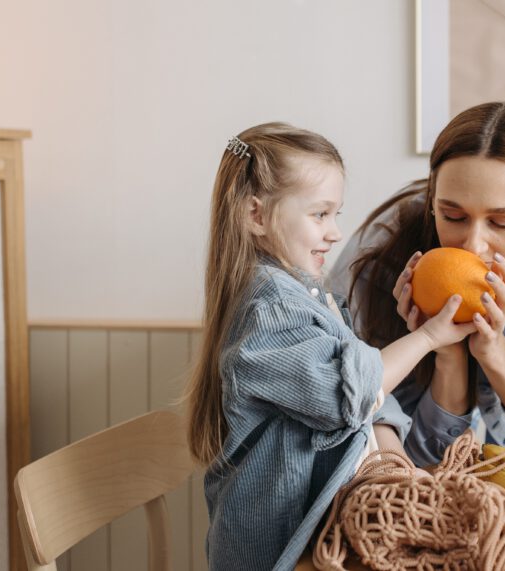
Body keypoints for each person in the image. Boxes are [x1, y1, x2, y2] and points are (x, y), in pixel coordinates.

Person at [185, 122, 475, 571]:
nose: (336, 232)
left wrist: (392, 458)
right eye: (320, 215)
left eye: (335, 214)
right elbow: (346, 393)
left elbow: (368, 397)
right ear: (257, 215)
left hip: (321, 535)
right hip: (276, 552)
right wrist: (427, 338)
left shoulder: (309, 296)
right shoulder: (273, 310)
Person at [328, 101, 505, 467]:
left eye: (502, 223)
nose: (473, 246)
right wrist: (445, 356)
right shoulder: (383, 250)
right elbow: (410, 457)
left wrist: (494, 351)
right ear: (433, 202)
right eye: (453, 216)